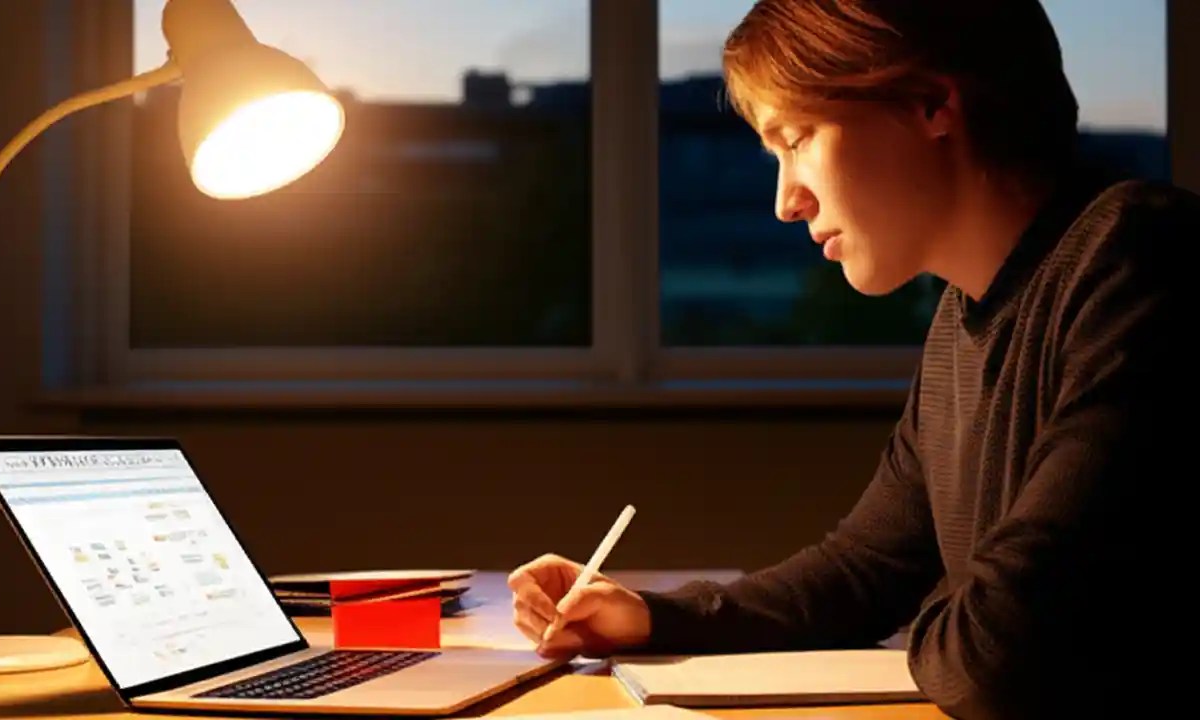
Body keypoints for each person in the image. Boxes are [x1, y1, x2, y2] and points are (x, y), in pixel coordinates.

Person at [508, 2, 1190, 718]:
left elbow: (1004, 653)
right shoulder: (965, 316)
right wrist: (651, 618)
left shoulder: (1141, 262)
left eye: (798, 138)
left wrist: (955, 617)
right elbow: (863, 574)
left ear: (930, 102)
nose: (785, 203)